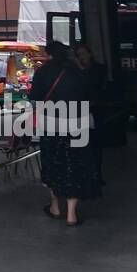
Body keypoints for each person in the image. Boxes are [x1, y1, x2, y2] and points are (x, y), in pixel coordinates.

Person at [32, 41, 97, 226]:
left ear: (50, 54)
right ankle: (71, 214)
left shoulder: (42, 72)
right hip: (76, 124)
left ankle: (55, 207)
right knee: (74, 165)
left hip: (51, 124)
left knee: (52, 164)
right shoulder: (77, 72)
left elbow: (35, 98)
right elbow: (88, 97)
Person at [73, 43, 111, 188]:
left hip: (95, 109)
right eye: (79, 55)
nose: (82, 57)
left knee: (96, 144)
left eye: (83, 53)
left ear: (90, 54)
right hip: (80, 110)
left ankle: (96, 174)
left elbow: (96, 86)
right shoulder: (75, 71)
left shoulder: (99, 69)